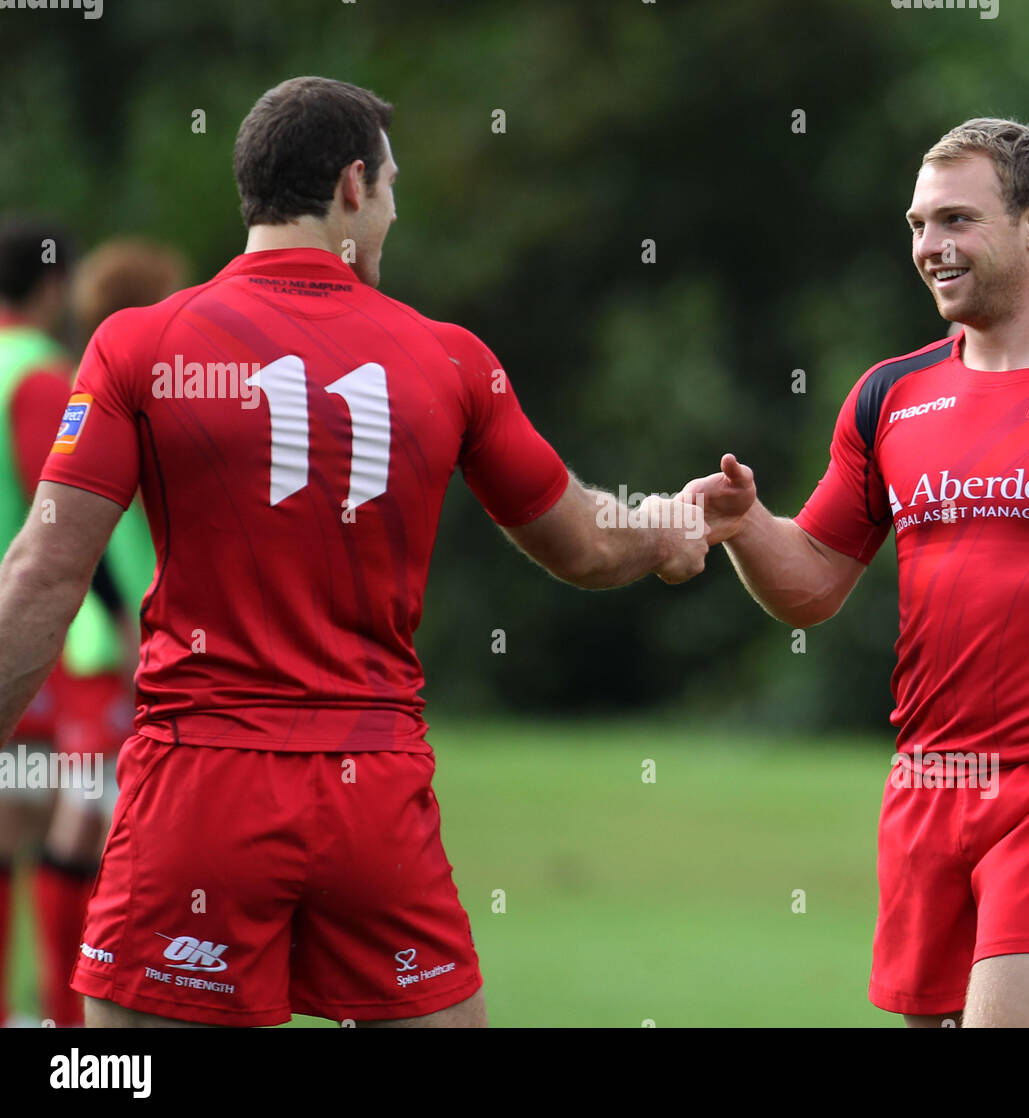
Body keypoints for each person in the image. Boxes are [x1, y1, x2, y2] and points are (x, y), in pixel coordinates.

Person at [0, 76, 707, 1028]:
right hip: (372, 800)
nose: (394, 213)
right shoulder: (448, 357)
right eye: (391, 188)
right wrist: (673, 527)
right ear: (348, 189)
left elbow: (46, 571)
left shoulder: (141, 344)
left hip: (198, 795)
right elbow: (582, 541)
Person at [681, 118, 1029, 1027]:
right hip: (927, 791)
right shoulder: (889, 395)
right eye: (916, 225)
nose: (929, 248)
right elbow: (815, 582)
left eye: (955, 221)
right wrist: (747, 527)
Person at [31, 238, 181, 1028]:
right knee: (92, 813)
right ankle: (66, 1013)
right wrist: (124, 619)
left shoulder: (108, 379)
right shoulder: (122, 387)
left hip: (95, 632)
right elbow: (68, 528)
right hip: (103, 638)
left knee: (88, 812)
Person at [0, 217, 78, 1026]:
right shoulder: (40, 375)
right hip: (33, 632)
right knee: (74, 811)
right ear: (54, 286)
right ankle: (62, 1019)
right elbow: (60, 522)